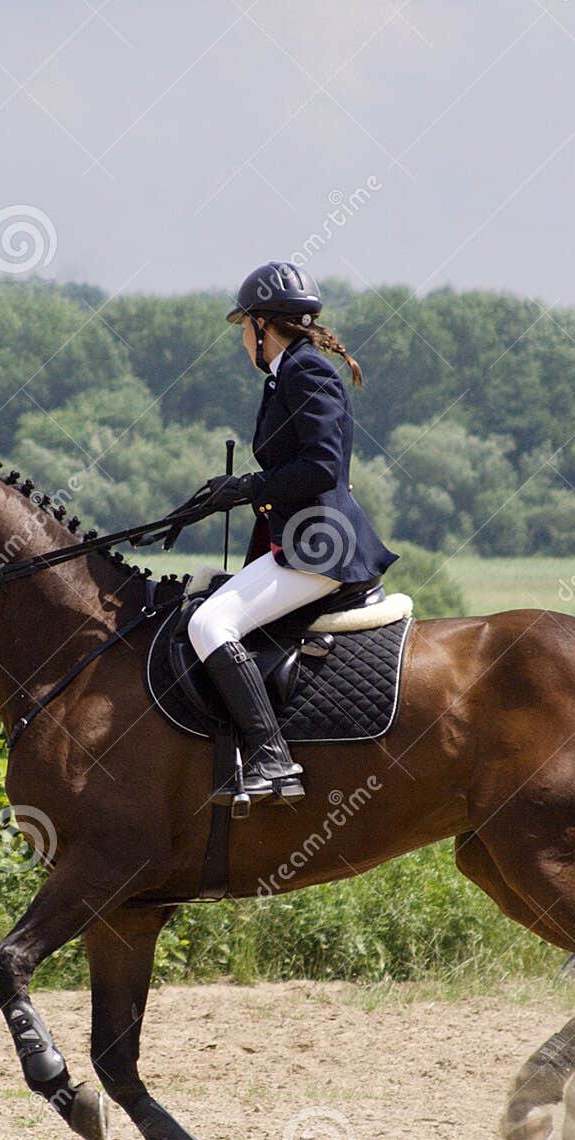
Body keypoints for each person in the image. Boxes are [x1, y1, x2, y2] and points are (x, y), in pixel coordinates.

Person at [184, 260, 397, 806]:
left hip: (323, 547)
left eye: (243, 329)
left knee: (211, 624)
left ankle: (273, 760)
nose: (241, 340)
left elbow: (322, 468)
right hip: (297, 538)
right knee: (206, 605)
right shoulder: (285, 374)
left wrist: (251, 486)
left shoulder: (306, 371)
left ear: (260, 325)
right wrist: (233, 492)